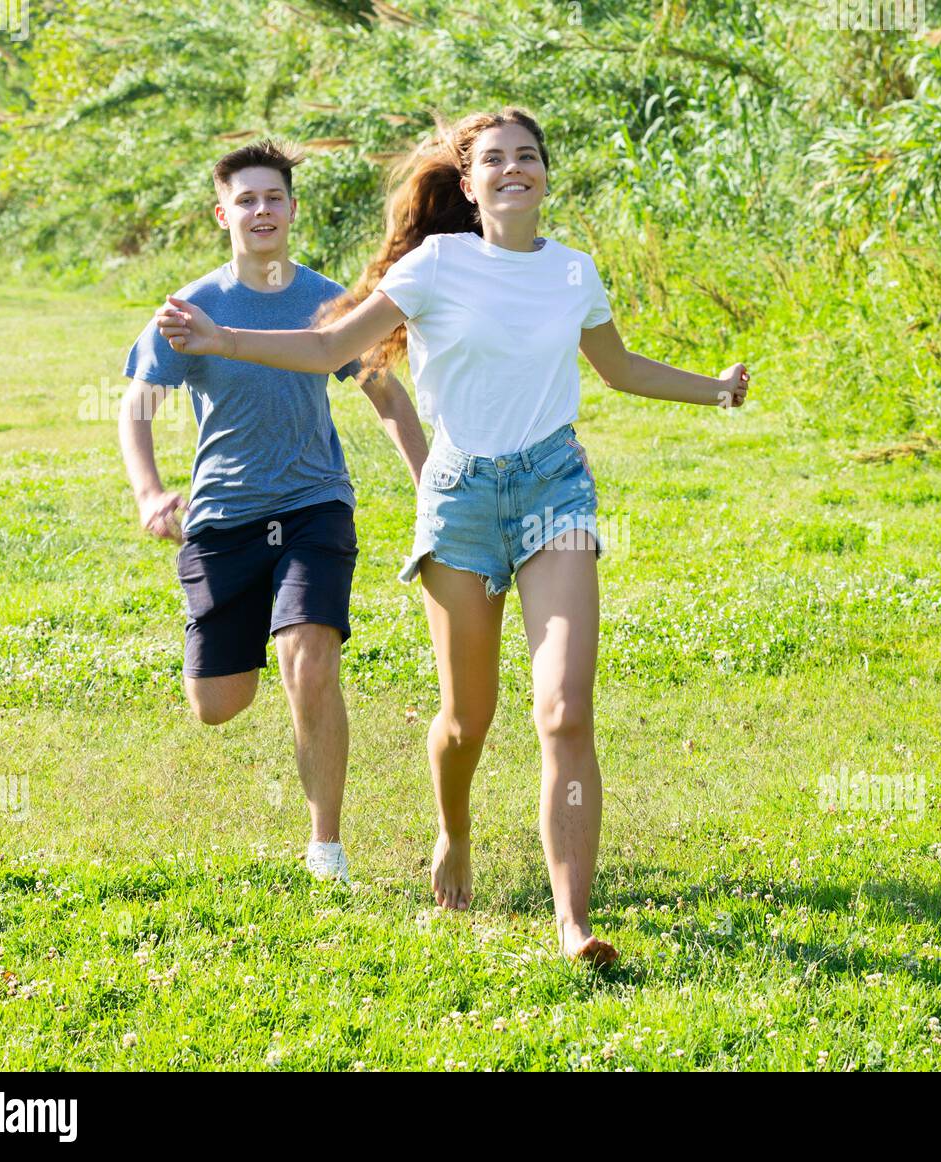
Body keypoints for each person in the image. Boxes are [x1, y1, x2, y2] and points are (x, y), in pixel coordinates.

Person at [153, 107, 750, 964]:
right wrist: (223, 338)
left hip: (554, 489)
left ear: (547, 174)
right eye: (495, 160)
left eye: (529, 157)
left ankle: (572, 920)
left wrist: (714, 389)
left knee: (564, 709)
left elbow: (620, 370)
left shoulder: (574, 273)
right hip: (460, 498)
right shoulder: (435, 263)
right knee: (468, 721)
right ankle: (454, 831)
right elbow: (330, 350)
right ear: (467, 187)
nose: (515, 169)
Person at [120, 138, 427, 885]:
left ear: (292, 210)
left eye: (273, 198)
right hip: (223, 515)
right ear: (222, 213)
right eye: (246, 200)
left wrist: (429, 484)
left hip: (314, 502)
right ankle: (254, 621)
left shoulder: (331, 305)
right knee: (218, 704)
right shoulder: (192, 310)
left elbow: (383, 393)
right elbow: (138, 404)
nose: (261, 211)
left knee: (311, 659)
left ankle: (326, 845)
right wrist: (151, 492)